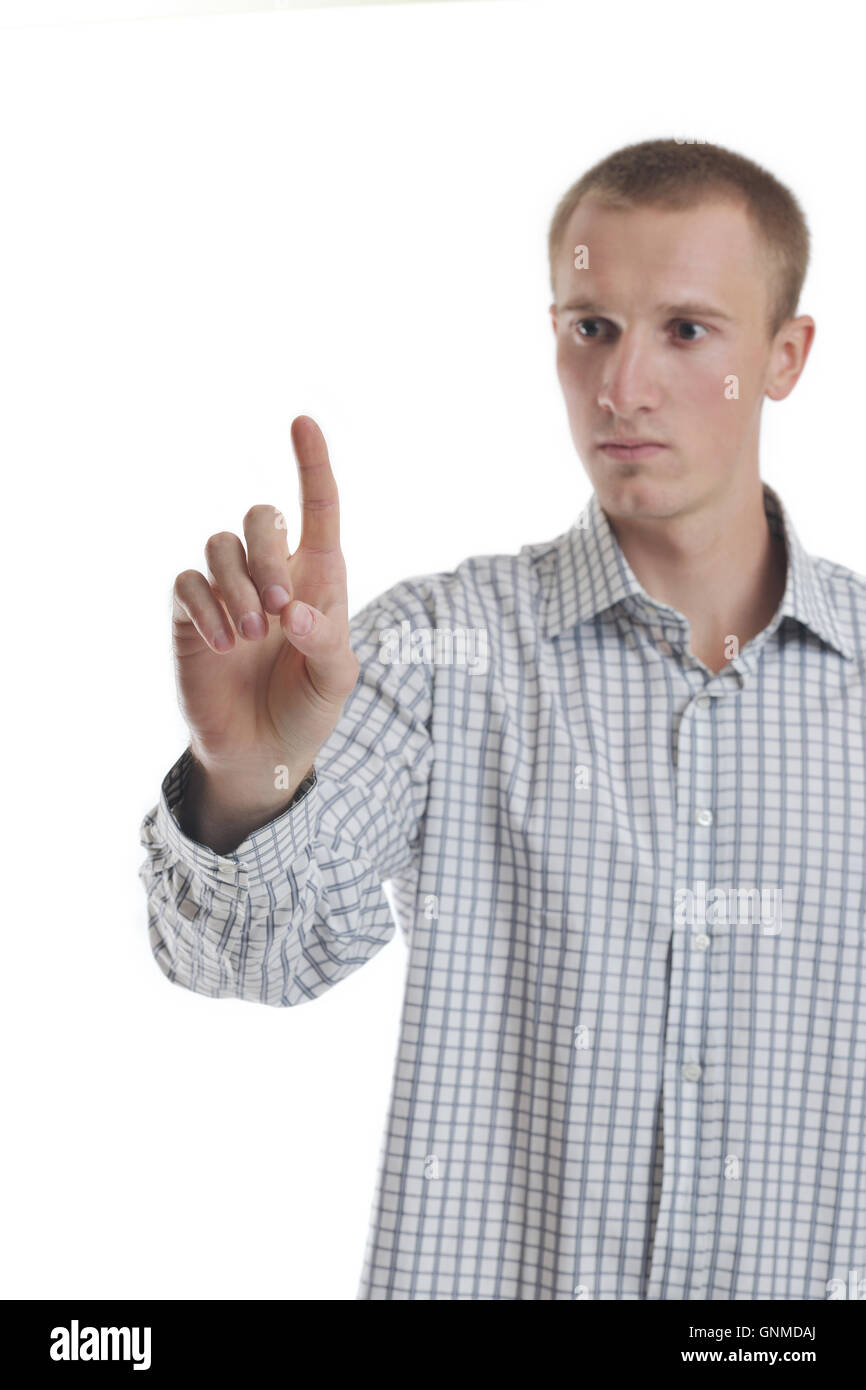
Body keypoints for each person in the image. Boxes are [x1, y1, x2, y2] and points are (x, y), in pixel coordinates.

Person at [139, 137, 866, 1300]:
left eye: (685, 330)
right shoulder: (436, 654)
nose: (622, 386)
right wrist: (253, 774)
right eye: (590, 328)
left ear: (784, 357)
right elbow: (251, 958)